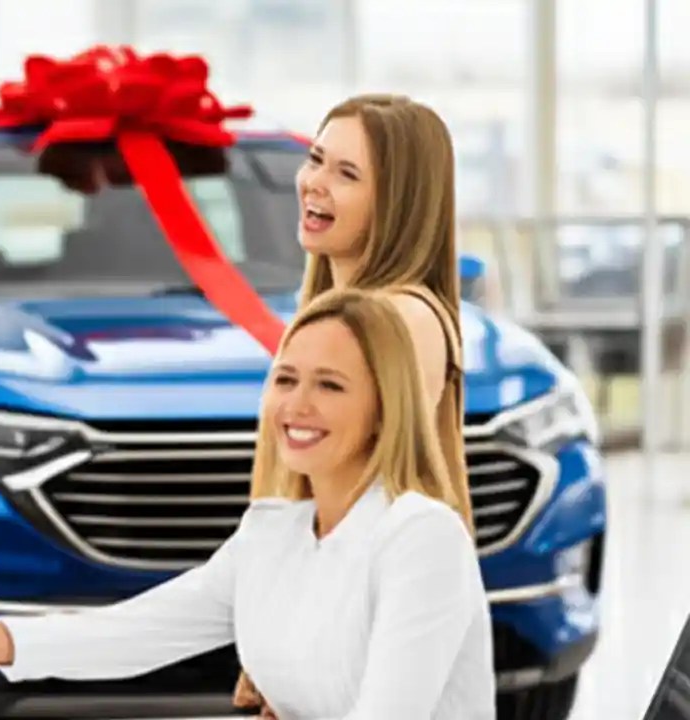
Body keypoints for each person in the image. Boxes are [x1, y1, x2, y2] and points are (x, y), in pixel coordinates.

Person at [0, 289, 498, 719]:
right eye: (285, 379)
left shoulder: (421, 536)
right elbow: (137, 631)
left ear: (386, 408)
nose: (297, 405)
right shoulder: (272, 533)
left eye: (330, 386)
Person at [235, 92, 474, 711]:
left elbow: (361, 506)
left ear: (397, 204)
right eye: (316, 160)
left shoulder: (402, 319)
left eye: (347, 175)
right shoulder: (333, 318)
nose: (315, 184)